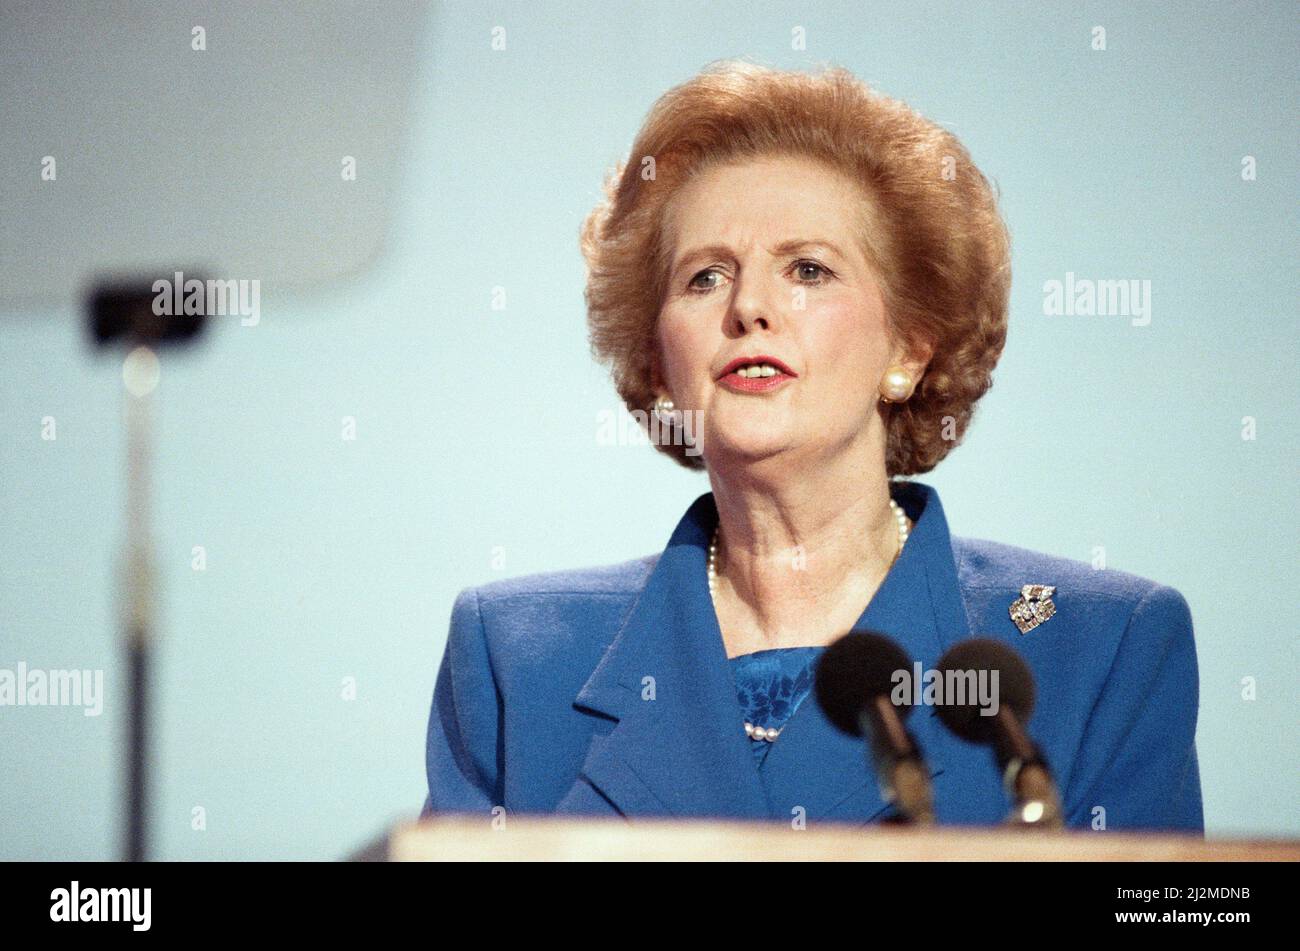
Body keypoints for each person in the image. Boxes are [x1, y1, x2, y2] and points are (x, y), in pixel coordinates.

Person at [424, 61, 1202, 831]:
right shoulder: (518, 662)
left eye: (807, 269)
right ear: (660, 362)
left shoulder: (1095, 650)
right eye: (704, 278)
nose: (750, 307)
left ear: (908, 348)